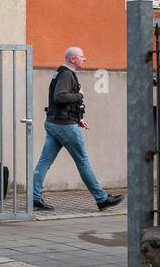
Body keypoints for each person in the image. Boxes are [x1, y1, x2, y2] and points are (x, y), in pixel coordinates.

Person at [32, 47, 123, 212]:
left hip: (54, 123)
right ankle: (102, 199)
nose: (85, 59)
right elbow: (59, 97)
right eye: (82, 56)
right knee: (83, 161)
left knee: (45, 161)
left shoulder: (62, 73)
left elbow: (63, 102)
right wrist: (80, 95)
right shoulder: (66, 74)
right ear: (72, 59)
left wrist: (78, 118)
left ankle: (35, 197)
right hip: (64, 126)